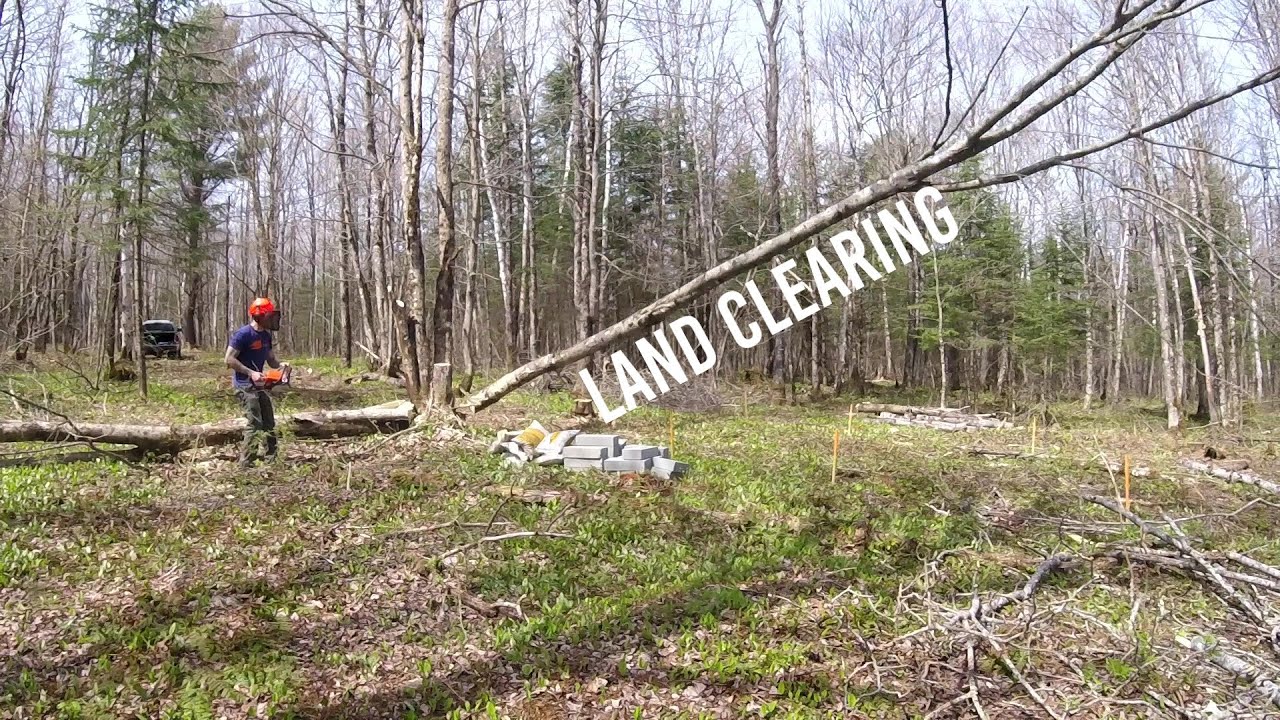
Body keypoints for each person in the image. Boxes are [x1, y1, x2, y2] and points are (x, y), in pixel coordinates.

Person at [225, 297, 290, 468]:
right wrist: (250, 373)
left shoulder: (266, 336)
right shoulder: (243, 334)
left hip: (259, 385)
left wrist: (281, 366)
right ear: (259, 316)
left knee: (269, 421)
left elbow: (271, 360)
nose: (272, 319)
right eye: (269, 316)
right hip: (244, 385)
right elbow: (229, 359)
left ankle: (272, 458)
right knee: (254, 423)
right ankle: (246, 462)